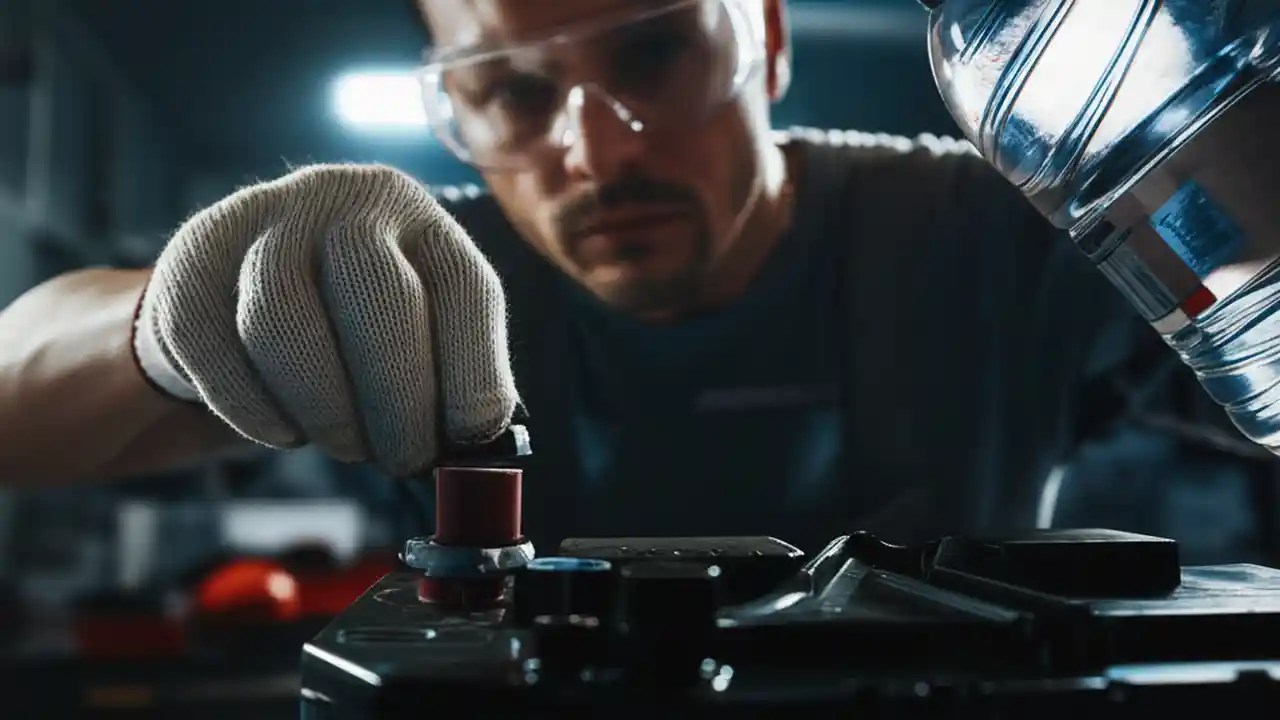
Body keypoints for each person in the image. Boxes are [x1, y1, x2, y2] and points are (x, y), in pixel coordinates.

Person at [0, 0, 1157, 553]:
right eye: (512, 91)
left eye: (652, 53)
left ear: (762, 37)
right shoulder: (409, 278)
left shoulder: (986, 231)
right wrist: (168, 316)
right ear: (451, 104)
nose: (598, 151)